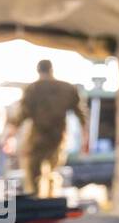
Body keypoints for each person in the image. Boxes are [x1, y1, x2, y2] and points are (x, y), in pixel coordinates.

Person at [13, 60, 85, 197]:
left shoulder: (33, 88)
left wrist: (11, 130)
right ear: (51, 69)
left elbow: (23, 113)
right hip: (58, 136)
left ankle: (37, 199)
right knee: (52, 169)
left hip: (38, 136)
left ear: (38, 70)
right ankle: (51, 198)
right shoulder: (67, 88)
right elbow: (80, 113)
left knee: (33, 170)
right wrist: (85, 134)